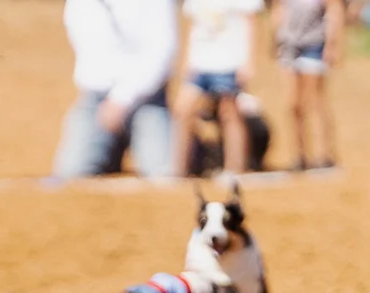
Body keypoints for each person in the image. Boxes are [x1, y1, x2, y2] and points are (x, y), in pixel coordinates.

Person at [53, 0, 178, 179]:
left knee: (164, 175)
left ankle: (193, 143)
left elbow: (162, 53)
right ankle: (112, 148)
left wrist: (121, 99)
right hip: (95, 102)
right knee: (70, 175)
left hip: (147, 99)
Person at [172, 0, 264, 178]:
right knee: (183, 110)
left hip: (229, 61)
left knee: (229, 113)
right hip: (200, 62)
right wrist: (187, 60)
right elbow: (192, 25)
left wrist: (249, 61)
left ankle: (234, 169)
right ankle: (179, 171)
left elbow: (251, 22)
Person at [274, 0, 344, 171]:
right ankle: (299, 156)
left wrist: (332, 44)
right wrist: (276, 38)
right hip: (289, 45)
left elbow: (334, 9)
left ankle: (324, 155)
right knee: (293, 104)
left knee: (316, 101)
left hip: (314, 44)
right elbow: (279, 8)